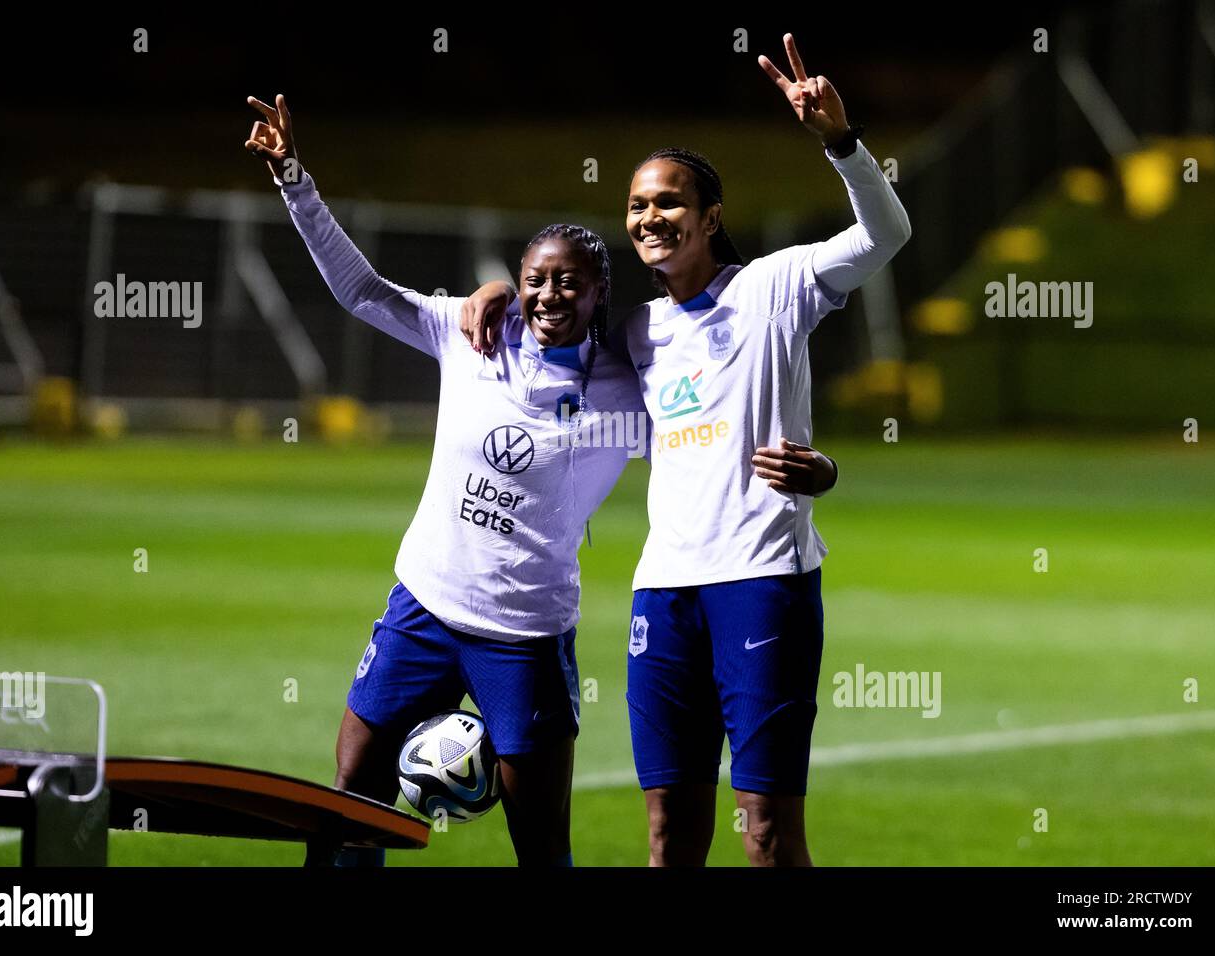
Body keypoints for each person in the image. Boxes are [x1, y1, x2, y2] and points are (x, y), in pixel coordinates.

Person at [459, 33, 911, 866]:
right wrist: (496, 293)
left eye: (668, 202)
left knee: (766, 834)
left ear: (711, 218)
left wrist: (841, 143)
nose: (649, 217)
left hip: (763, 583)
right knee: (668, 836)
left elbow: (886, 234)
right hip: (662, 594)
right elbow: (551, 320)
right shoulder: (637, 331)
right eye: (637, 205)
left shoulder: (776, 286)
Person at [244, 93, 646, 866]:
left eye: (570, 283)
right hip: (423, 609)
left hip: (524, 636)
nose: (550, 295)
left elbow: (699, 442)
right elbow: (363, 291)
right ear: (517, 283)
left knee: (540, 843)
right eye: (535, 279)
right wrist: (295, 179)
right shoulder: (471, 334)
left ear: (600, 294)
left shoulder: (626, 395)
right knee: (350, 800)